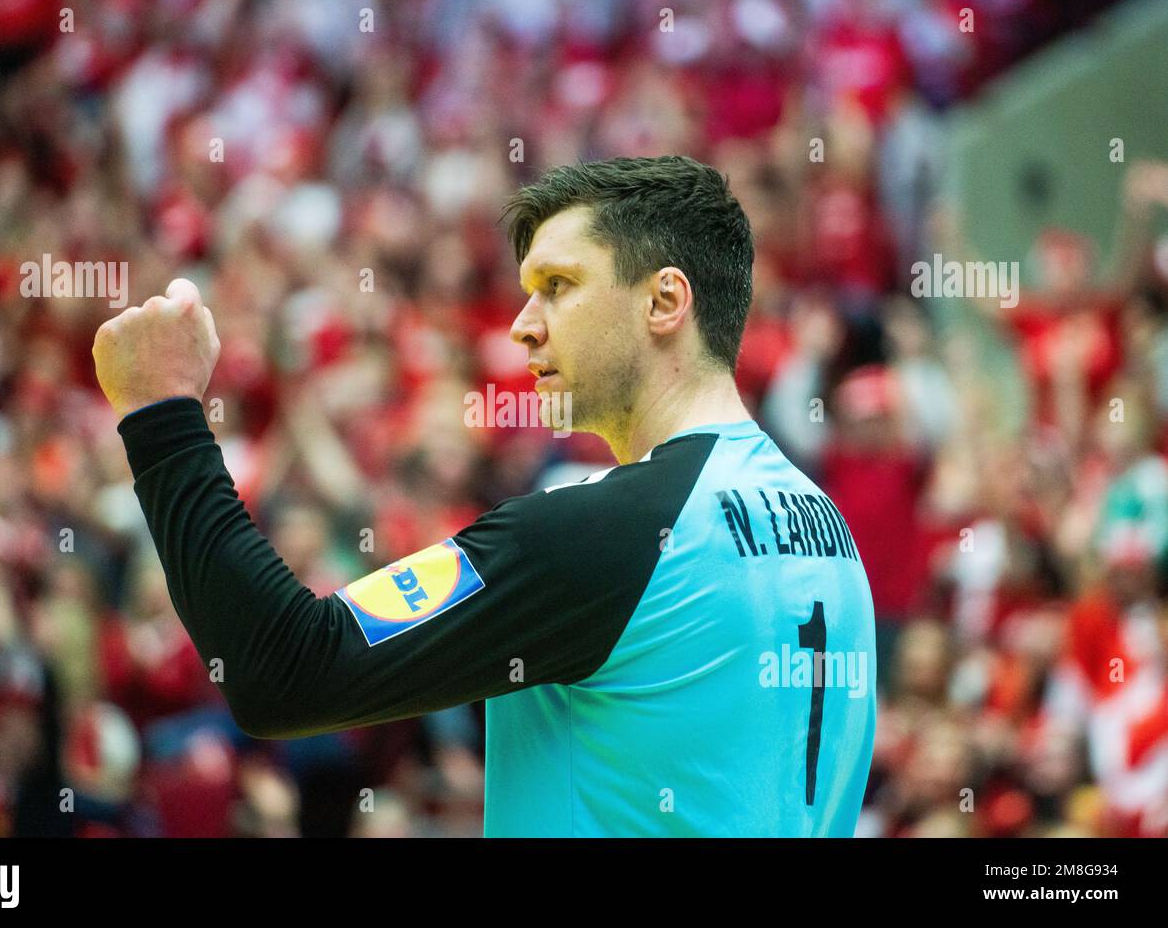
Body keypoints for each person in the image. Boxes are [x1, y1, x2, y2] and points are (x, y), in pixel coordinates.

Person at [92, 155, 877, 836]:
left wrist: (162, 417)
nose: (522, 327)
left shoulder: (605, 534)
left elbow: (282, 669)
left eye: (558, 287)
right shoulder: (829, 529)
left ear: (666, 301)